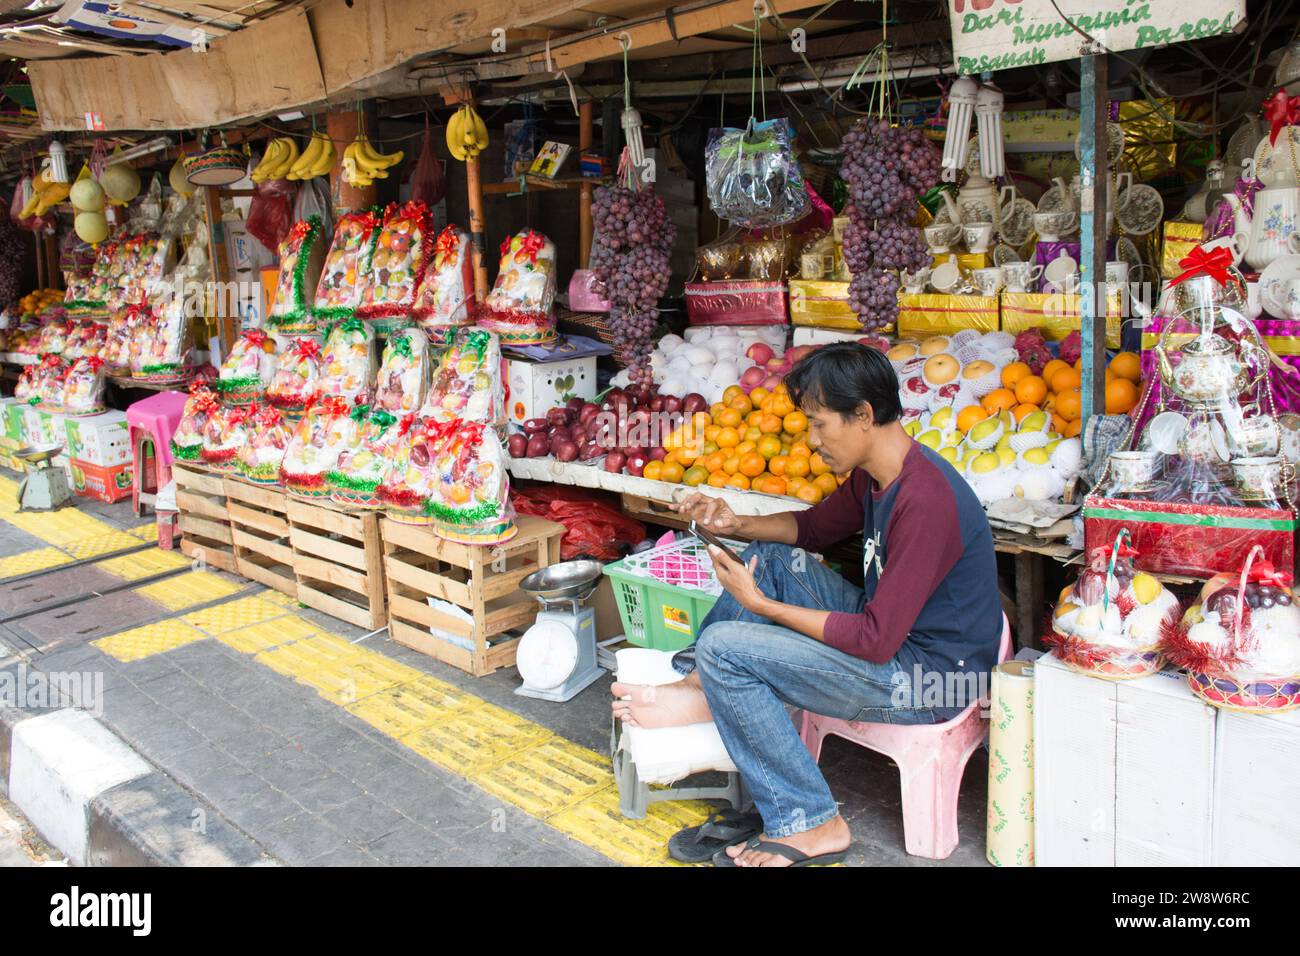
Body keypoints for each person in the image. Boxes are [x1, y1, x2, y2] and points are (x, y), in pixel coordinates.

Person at [611, 343, 1002, 867]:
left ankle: (811, 821)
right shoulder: (879, 473)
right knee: (770, 559)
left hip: (928, 679)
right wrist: (731, 523)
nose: (814, 442)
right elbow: (813, 528)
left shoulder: (926, 501)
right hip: (897, 644)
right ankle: (697, 684)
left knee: (728, 647)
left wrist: (763, 608)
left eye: (820, 425)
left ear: (863, 414)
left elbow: (875, 639)